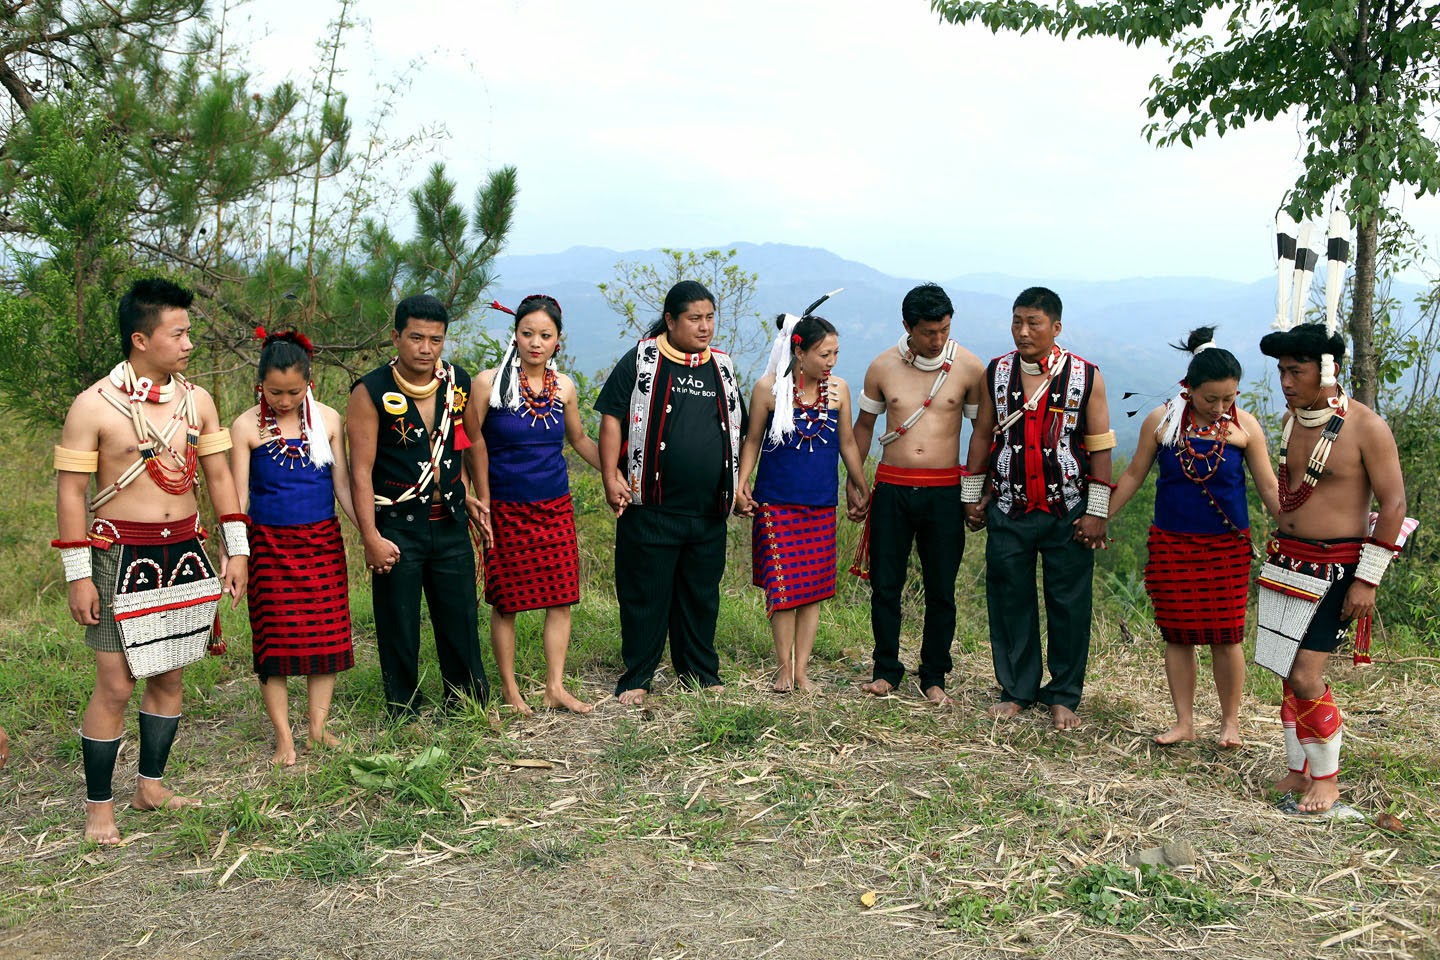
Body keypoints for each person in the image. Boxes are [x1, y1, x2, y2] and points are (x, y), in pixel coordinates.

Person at [52, 277, 249, 844]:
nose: (189, 343)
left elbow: (217, 478)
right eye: (178, 332)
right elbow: (70, 494)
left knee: (170, 674)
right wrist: (78, 575)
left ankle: (151, 786)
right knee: (114, 685)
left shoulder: (198, 400)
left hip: (184, 550)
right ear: (141, 339)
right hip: (118, 553)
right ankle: (98, 810)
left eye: (189, 331)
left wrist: (236, 551)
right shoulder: (92, 407)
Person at [1257, 322, 1406, 814]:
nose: (1286, 382)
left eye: (1295, 371)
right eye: (1281, 371)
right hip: (1288, 559)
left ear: (1326, 369)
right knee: (1285, 671)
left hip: (1336, 567)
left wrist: (1367, 577)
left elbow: (1394, 504)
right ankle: (1300, 769)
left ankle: (1328, 779)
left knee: (1305, 674)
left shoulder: (1366, 426)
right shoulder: (1294, 420)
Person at [1109, 327, 1279, 747]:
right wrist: (1100, 516)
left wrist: (1299, 528)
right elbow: (1132, 474)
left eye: (1229, 398)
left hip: (1226, 546)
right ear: (1188, 388)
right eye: (1211, 399)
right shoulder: (1162, 420)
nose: (1221, 407)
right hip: (1172, 543)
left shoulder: (1247, 427)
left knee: (1227, 635)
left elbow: (1270, 488)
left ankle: (1230, 723)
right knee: (1178, 634)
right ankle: (1183, 723)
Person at [963, 286, 1115, 730]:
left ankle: (1064, 694)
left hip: (1068, 507)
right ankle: (1016, 690)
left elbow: (1100, 444)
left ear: (1056, 327)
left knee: (1069, 603)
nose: (1023, 332)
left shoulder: (1086, 375)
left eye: (1034, 323)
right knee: (1009, 598)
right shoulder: (997, 372)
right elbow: (982, 433)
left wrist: (1097, 510)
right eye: (1017, 322)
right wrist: (971, 495)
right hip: (1009, 508)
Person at [595, 280, 746, 706]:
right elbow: (611, 419)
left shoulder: (723, 366)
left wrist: (740, 484)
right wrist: (611, 475)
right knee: (646, 594)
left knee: (700, 595)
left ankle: (699, 671)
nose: (705, 327)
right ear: (670, 320)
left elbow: (739, 430)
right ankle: (638, 677)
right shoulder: (642, 360)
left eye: (710, 317)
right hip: (651, 508)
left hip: (707, 511)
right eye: (695, 318)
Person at [347, 294, 491, 719]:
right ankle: (404, 711)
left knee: (461, 617)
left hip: (449, 520)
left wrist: (480, 498)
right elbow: (361, 471)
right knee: (399, 623)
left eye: (435, 339)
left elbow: (471, 443)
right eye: (415, 338)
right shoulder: (370, 390)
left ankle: (467, 704)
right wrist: (370, 537)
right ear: (396, 337)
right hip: (396, 525)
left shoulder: (456, 383)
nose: (426, 348)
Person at [847, 283, 985, 705]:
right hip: (891, 487)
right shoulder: (882, 367)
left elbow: (981, 433)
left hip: (945, 490)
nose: (937, 339)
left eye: (944, 329)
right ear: (907, 326)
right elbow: (864, 429)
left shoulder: (968, 368)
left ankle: (934, 675)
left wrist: (973, 491)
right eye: (928, 331)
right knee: (886, 585)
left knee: (941, 588)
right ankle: (886, 668)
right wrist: (855, 483)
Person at [230, 329, 358, 765]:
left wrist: (369, 531)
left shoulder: (328, 419)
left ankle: (317, 730)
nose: (284, 400)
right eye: (274, 391)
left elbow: (341, 485)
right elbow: (238, 498)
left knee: (325, 640)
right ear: (260, 384)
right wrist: (236, 553)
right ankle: (284, 736)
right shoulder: (246, 426)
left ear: (310, 381)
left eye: (293, 391)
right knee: (275, 645)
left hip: (321, 541)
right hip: (268, 546)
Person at [475, 295, 602, 715]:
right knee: (506, 602)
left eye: (545, 335)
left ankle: (554, 686)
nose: (535, 342)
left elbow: (579, 439)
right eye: (527, 333)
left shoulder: (563, 386)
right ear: (515, 334)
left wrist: (615, 471)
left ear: (557, 341)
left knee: (560, 599)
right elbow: (468, 441)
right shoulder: (488, 384)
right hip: (505, 510)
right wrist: (476, 498)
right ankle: (511, 691)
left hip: (554, 506)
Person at [735, 306, 868, 692]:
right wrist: (742, 483)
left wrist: (860, 485)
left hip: (820, 503)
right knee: (783, 589)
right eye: (824, 354)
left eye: (836, 354)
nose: (831, 362)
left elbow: (846, 442)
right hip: (776, 503)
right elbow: (753, 441)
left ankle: (802, 670)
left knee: (811, 592)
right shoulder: (769, 389)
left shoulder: (839, 390)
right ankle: (782, 667)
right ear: (800, 352)